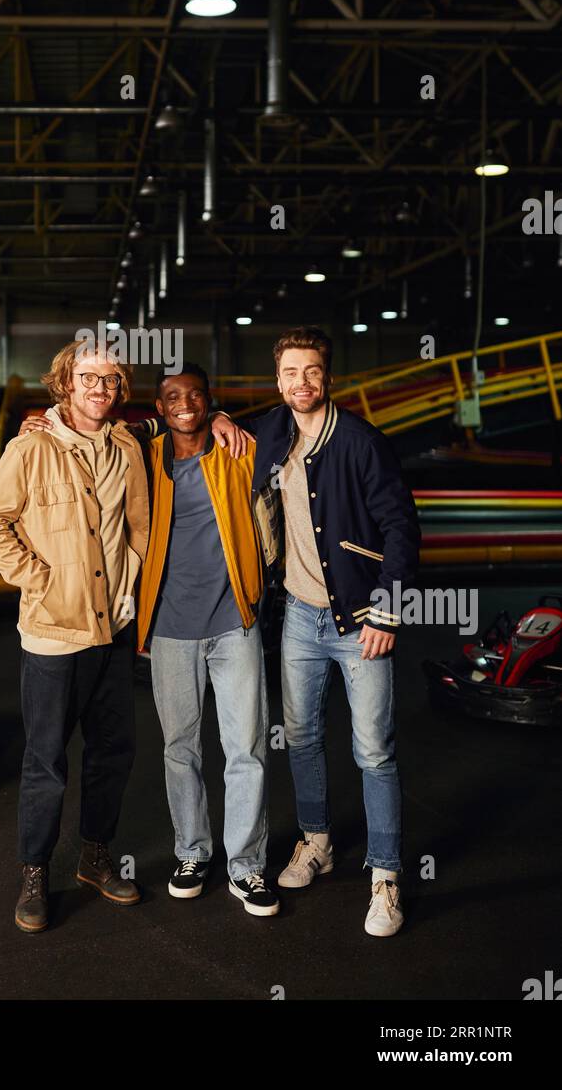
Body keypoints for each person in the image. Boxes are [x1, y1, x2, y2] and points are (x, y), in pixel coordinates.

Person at [0, 339, 245, 933]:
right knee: (46, 761)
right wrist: (40, 580)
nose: (99, 388)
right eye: (88, 378)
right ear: (64, 383)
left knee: (113, 752)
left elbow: (149, 503)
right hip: (53, 633)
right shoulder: (31, 447)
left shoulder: (128, 442)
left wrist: (220, 414)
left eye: (110, 380)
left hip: (115, 630)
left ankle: (96, 859)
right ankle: (35, 874)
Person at [234, 326, 421, 937]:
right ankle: (317, 843)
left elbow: (401, 527)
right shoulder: (269, 431)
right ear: (279, 378)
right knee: (302, 735)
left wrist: (387, 610)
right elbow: (199, 420)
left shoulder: (363, 442)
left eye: (311, 371)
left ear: (329, 377)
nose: (301, 383)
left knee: (373, 749)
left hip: (361, 618)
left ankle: (387, 878)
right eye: (290, 373)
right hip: (299, 616)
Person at [137, 364, 278, 916]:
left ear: (210, 400)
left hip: (233, 621)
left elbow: (287, 420)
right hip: (170, 627)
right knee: (181, 749)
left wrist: (227, 419)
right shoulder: (145, 460)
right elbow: (93, 434)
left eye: (196, 395)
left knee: (246, 747)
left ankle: (247, 866)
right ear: (160, 407)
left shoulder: (237, 453)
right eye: (173, 396)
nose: (185, 403)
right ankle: (192, 852)